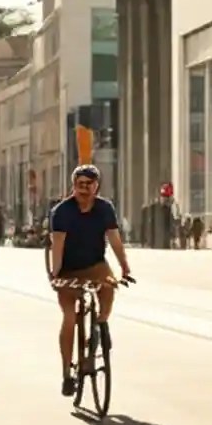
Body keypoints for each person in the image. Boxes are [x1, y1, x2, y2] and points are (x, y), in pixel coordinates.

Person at [47, 165, 131, 397]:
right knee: (70, 317)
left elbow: (114, 240)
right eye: (79, 184)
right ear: (73, 186)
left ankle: (100, 327)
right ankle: (67, 372)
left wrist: (124, 267)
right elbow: (58, 245)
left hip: (95, 264)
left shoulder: (105, 208)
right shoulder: (62, 212)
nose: (84, 189)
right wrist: (56, 276)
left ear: (97, 186)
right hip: (67, 268)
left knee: (108, 288)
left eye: (89, 184)